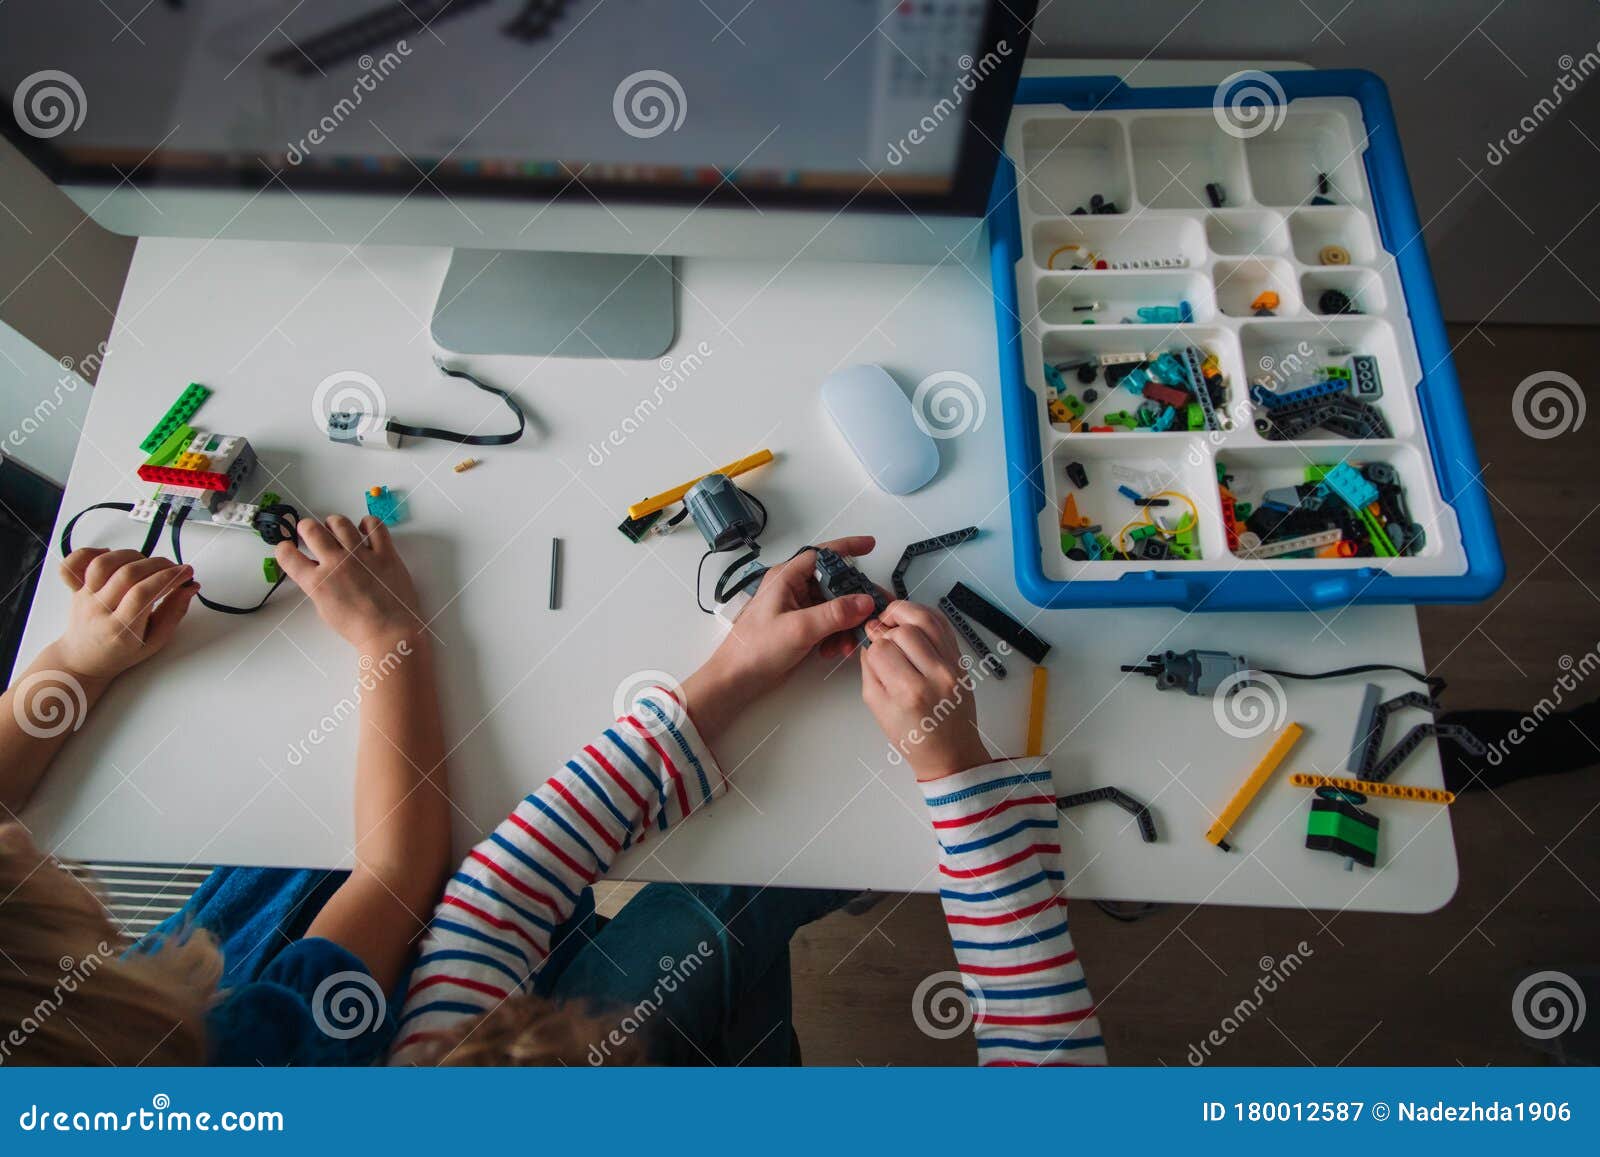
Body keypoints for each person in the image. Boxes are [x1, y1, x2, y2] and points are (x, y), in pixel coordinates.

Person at [392, 536, 1107, 1066]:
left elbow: (497, 895)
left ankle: (817, 898)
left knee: (743, 885)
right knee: (749, 946)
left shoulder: (436, 1068)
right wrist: (958, 770)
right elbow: (1050, 1063)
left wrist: (730, 673)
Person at [0, 514, 453, 1065]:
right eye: (33, 867)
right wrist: (389, 636)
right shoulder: (257, 1056)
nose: (25, 842)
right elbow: (398, 875)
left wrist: (75, 661)